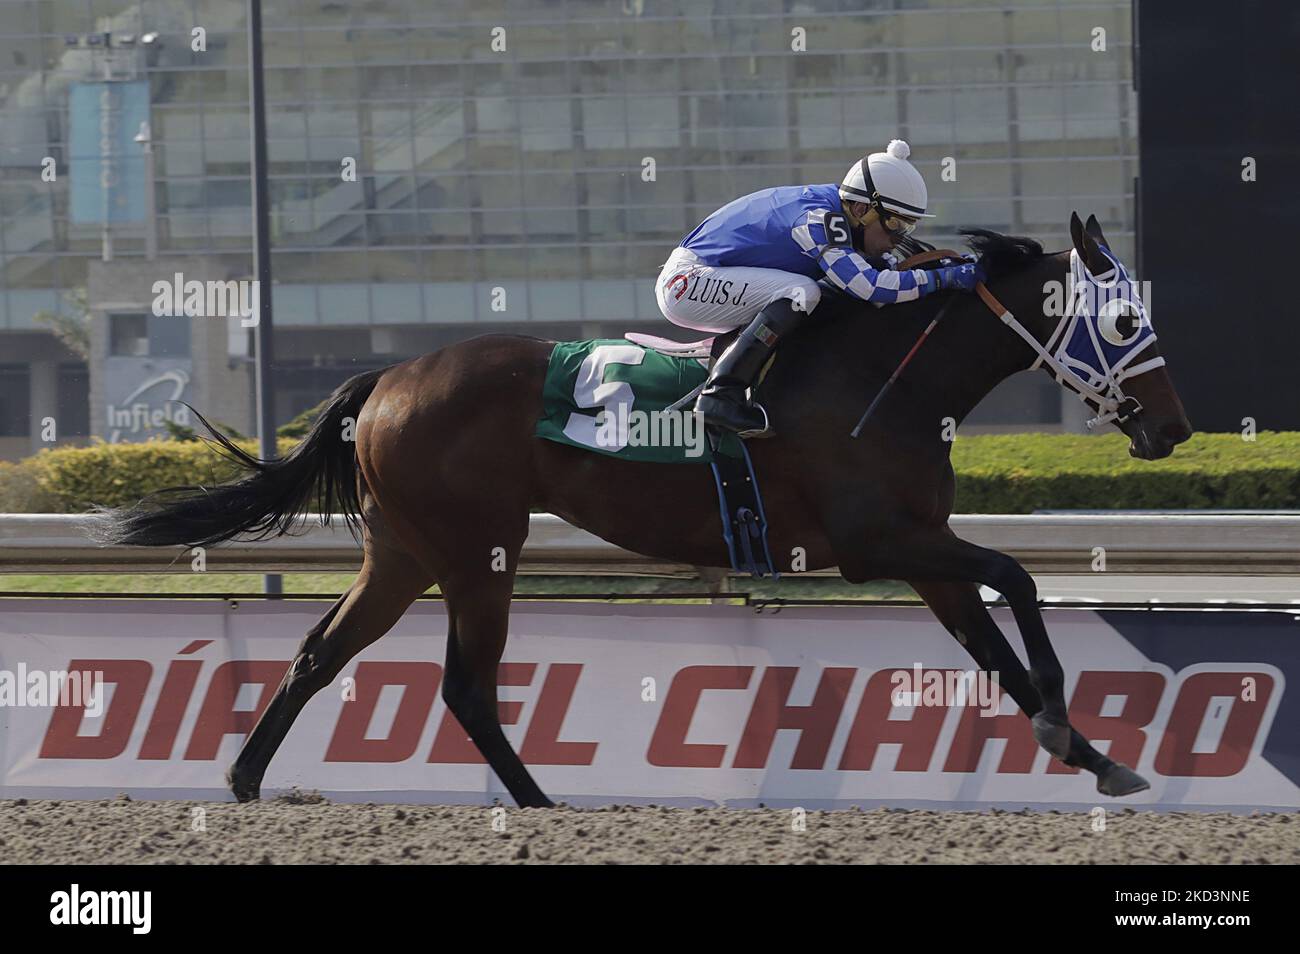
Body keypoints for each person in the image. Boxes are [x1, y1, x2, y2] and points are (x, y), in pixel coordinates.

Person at [655, 139, 985, 437]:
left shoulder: (840, 214)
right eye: (895, 224)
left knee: (819, 294)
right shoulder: (818, 220)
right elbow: (870, 287)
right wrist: (942, 279)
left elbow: (878, 276)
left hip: (711, 276)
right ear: (860, 209)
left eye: (908, 226)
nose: (896, 239)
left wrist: (941, 266)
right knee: (803, 292)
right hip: (686, 283)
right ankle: (720, 395)